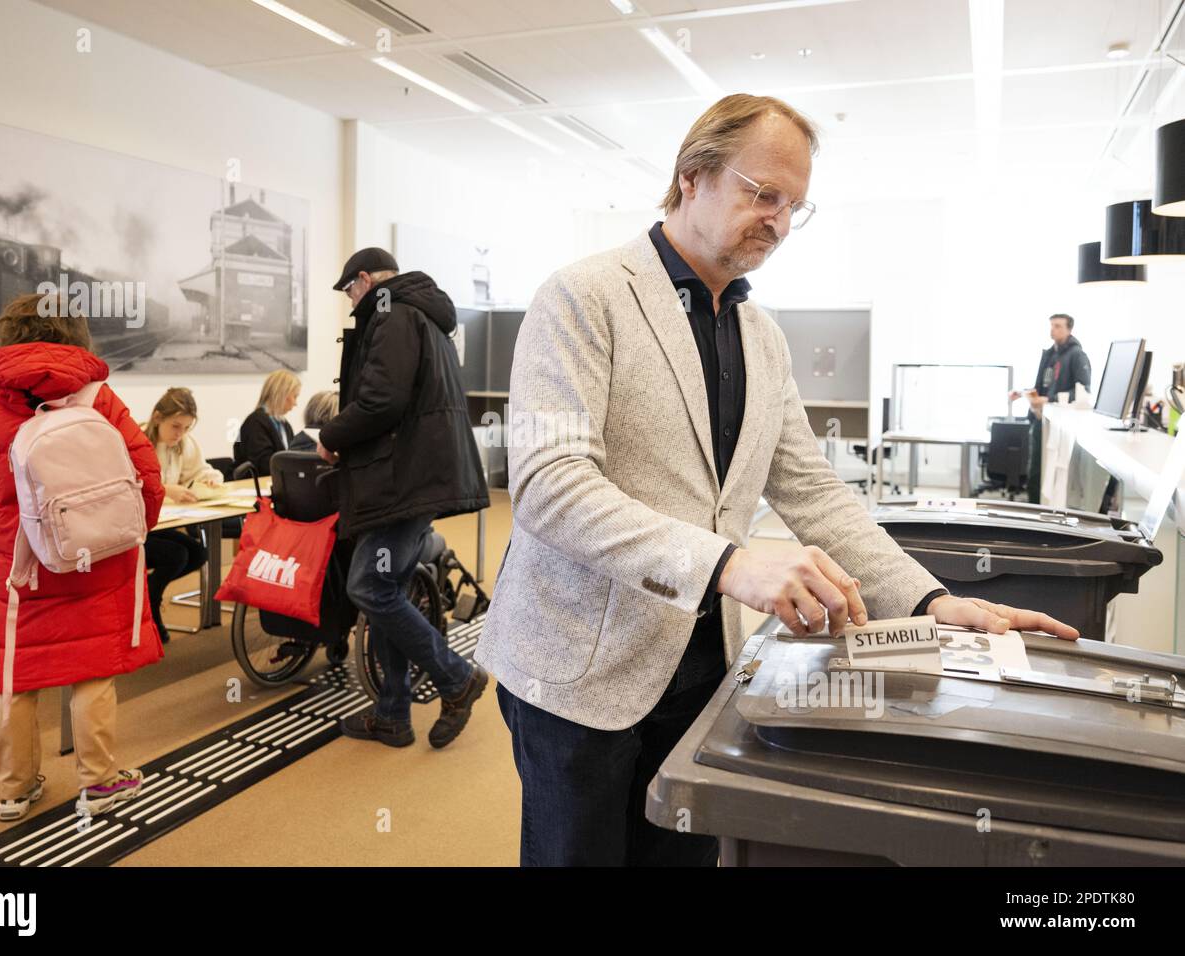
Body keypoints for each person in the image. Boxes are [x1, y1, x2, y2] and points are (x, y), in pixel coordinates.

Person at [473, 94, 1081, 867]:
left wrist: (932, 600)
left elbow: (816, 495)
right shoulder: (585, 296)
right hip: (577, 672)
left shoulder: (760, 335)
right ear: (692, 176)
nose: (780, 221)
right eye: (764, 194)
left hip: (699, 674)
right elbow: (550, 484)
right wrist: (730, 562)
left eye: (795, 205)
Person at [0, 292, 165, 822]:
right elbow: (148, 482)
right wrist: (114, 535)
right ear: (75, 334)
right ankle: (100, 782)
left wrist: (6, 541)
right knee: (93, 671)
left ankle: (14, 791)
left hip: (23, 569)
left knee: (18, 677)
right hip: (97, 559)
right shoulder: (101, 400)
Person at [318, 247, 490, 749]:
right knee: (386, 587)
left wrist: (331, 436)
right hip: (410, 477)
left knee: (370, 586)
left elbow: (381, 400)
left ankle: (456, 677)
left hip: (403, 479)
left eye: (350, 291)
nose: (351, 302)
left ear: (364, 279)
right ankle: (393, 712)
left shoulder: (391, 313)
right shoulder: (424, 315)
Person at [142, 387, 218, 644]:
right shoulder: (138, 442)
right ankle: (151, 599)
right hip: (134, 529)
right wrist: (165, 491)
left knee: (199, 553)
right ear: (157, 418)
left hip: (161, 525)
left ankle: (150, 593)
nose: (180, 434)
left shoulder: (183, 443)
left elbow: (201, 470)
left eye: (186, 428)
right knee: (177, 554)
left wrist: (209, 480)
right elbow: (128, 486)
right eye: (176, 426)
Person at [1008, 313, 1091, 503]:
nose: (1053, 330)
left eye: (1058, 326)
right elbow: (1041, 387)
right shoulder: (1049, 355)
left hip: (1060, 426)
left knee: (1050, 474)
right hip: (1040, 420)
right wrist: (1022, 393)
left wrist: (1050, 399)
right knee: (1035, 471)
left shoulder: (1077, 356)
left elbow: (1083, 390)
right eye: (1051, 325)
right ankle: (1033, 511)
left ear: (1069, 329)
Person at [234, 369, 299, 477]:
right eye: (295, 396)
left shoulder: (285, 425)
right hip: (251, 485)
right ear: (282, 394)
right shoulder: (255, 423)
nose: (295, 403)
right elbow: (263, 465)